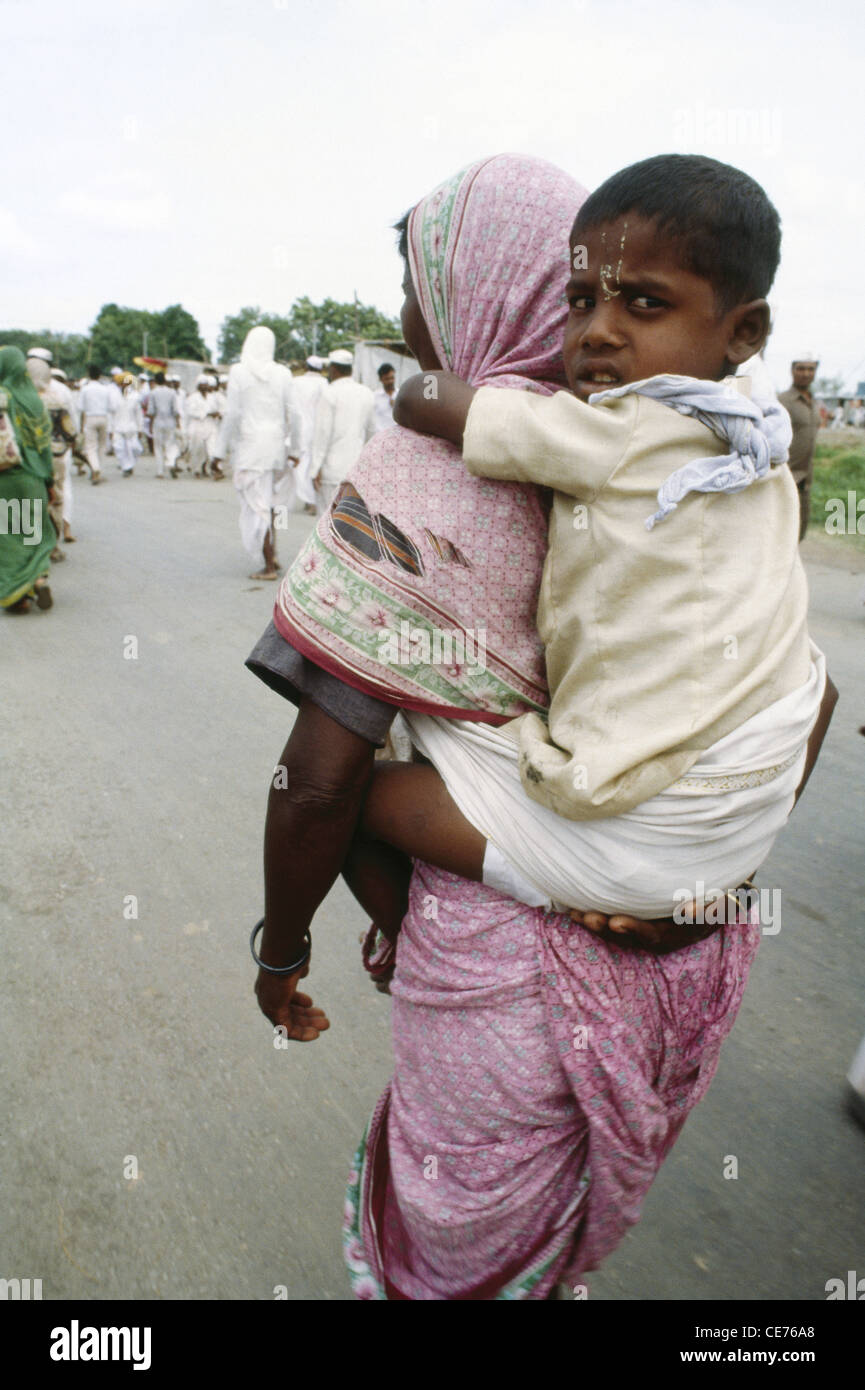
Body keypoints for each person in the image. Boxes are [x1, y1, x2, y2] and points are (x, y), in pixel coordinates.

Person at [245, 155, 837, 1300]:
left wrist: (280, 951)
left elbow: (318, 782)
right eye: (580, 298)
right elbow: (810, 692)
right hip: (676, 948)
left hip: (510, 966)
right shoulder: (711, 459)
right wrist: (702, 868)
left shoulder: (455, 468)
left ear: (468, 285)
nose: (404, 311)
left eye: (414, 275)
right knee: (539, 1235)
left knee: (455, 1238)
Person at [350, 155, 822, 927]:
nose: (597, 331)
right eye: (576, 302)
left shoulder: (625, 427)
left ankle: (535, 902)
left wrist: (413, 387)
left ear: (745, 332)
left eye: (642, 304)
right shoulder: (756, 442)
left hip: (640, 834)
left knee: (360, 793)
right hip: (740, 822)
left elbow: (436, 400)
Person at [212, 326, 301, 579]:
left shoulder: (239, 372)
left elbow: (232, 415)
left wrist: (217, 453)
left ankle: (269, 566)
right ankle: (272, 555)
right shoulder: (283, 373)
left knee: (257, 508)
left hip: (251, 450)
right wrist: (295, 448)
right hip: (276, 448)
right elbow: (295, 414)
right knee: (272, 505)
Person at [0, 346, 57, 612]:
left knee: (11, 538)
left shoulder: (3, 398)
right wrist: (50, 481)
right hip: (34, 478)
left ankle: (18, 597)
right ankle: (39, 578)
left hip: (6, 478)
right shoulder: (34, 400)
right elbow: (44, 447)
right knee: (34, 534)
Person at [310, 349, 375, 514]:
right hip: (357, 472)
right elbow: (372, 434)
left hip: (331, 471)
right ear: (350, 370)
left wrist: (315, 468)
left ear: (333, 369)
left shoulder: (329, 392)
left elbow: (322, 435)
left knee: (327, 524)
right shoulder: (366, 393)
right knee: (349, 525)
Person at [778, 356, 820, 540]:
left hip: (805, 480)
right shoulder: (783, 402)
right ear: (792, 370)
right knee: (782, 534)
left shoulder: (813, 402)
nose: (806, 373)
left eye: (810, 369)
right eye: (801, 368)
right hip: (786, 478)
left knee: (799, 532)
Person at [291, 355, 327, 514]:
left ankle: (309, 499)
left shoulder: (296, 382)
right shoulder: (323, 383)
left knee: (300, 465)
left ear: (306, 367)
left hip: (298, 429)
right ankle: (311, 500)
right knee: (313, 465)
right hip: (317, 428)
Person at [78, 363, 113, 484]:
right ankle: (98, 471)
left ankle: (95, 469)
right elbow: (111, 407)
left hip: (90, 418)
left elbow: (81, 407)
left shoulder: (85, 389)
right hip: (103, 417)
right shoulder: (105, 389)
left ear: (89, 375)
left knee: (90, 447)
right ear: (100, 376)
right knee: (102, 446)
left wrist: (81, 425)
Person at [146, 371, 181, 478]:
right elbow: (176, 410)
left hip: (158, 421)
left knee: (158, 447)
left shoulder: (153, 393)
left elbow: (151, 411)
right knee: (170, 444)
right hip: (170, 421)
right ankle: (170, 463)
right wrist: (178, 423)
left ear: (156, 381)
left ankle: (160, 471)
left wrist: (150, 425)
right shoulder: (172, 392)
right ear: (165, 381)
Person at [185, 374, 220, 477]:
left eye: (206, 385)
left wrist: (216, 414)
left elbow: (216, 409)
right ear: (198, 386)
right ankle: (197, 469)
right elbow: (191, 411)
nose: (204, 387)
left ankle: (214, 470)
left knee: (212, 449)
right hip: (197, 426)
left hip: (210, 425)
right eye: (202, 385)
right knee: (198, 449)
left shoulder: (212, 398)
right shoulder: (192, 398)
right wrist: (206, 413)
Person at [111, 373, 144, 476]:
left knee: (135, 448)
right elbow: (111, 413)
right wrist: (110, 429)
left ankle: (130, 464)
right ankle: (126, 467)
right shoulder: (114, 396)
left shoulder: (135, 396)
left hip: (131, 427)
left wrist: (140, 429)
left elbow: (139, 414)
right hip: (118, 427)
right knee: (119, 448)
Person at [372, 361, 397, 431]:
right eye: (387, 379)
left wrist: (397, 406)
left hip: (398, 436)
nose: (390, 381)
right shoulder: (375, 396)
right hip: (381, 436)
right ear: (380, 379)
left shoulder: (401, 394)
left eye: (392, 378)